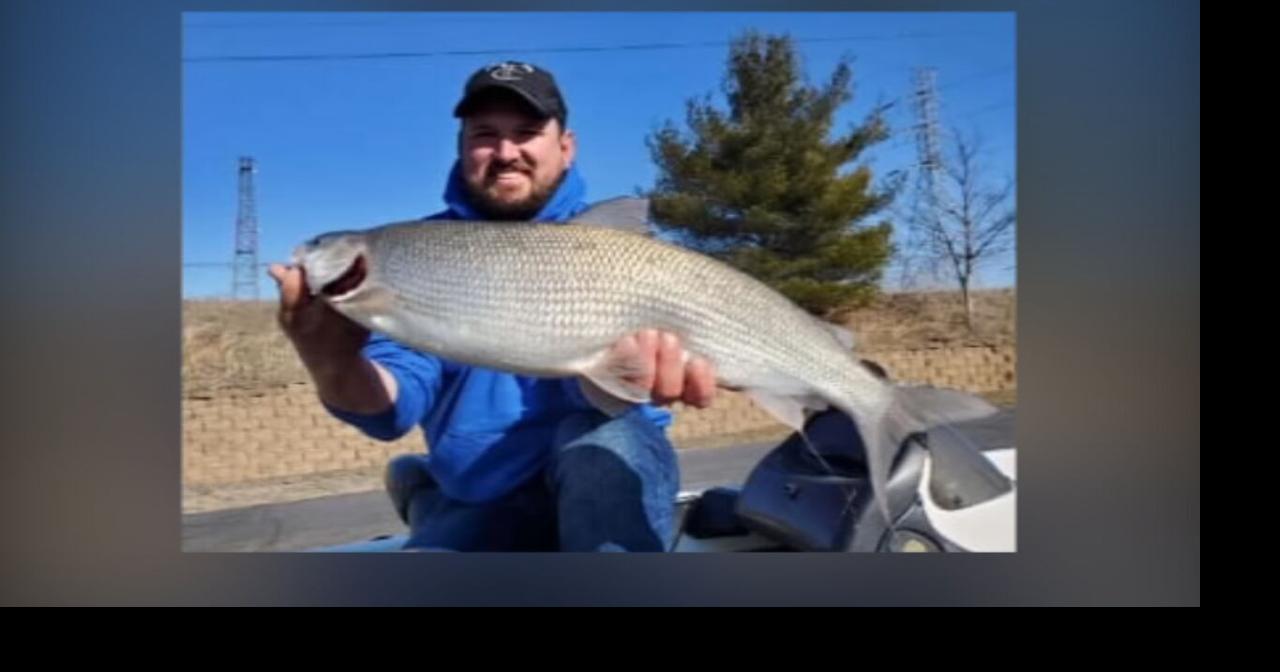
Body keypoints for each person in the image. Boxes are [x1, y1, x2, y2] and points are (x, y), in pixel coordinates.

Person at [268, 61, 716, 551]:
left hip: (611, 472)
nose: (506, 152)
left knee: (601, 439)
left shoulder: (621, 247)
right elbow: (390, 408)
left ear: (566, 148)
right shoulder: (412, 255)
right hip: (485, 494)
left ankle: (422, 492)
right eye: (485, 134)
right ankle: (428, 496)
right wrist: (331, 361)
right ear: (462, 149)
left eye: (526, 132)